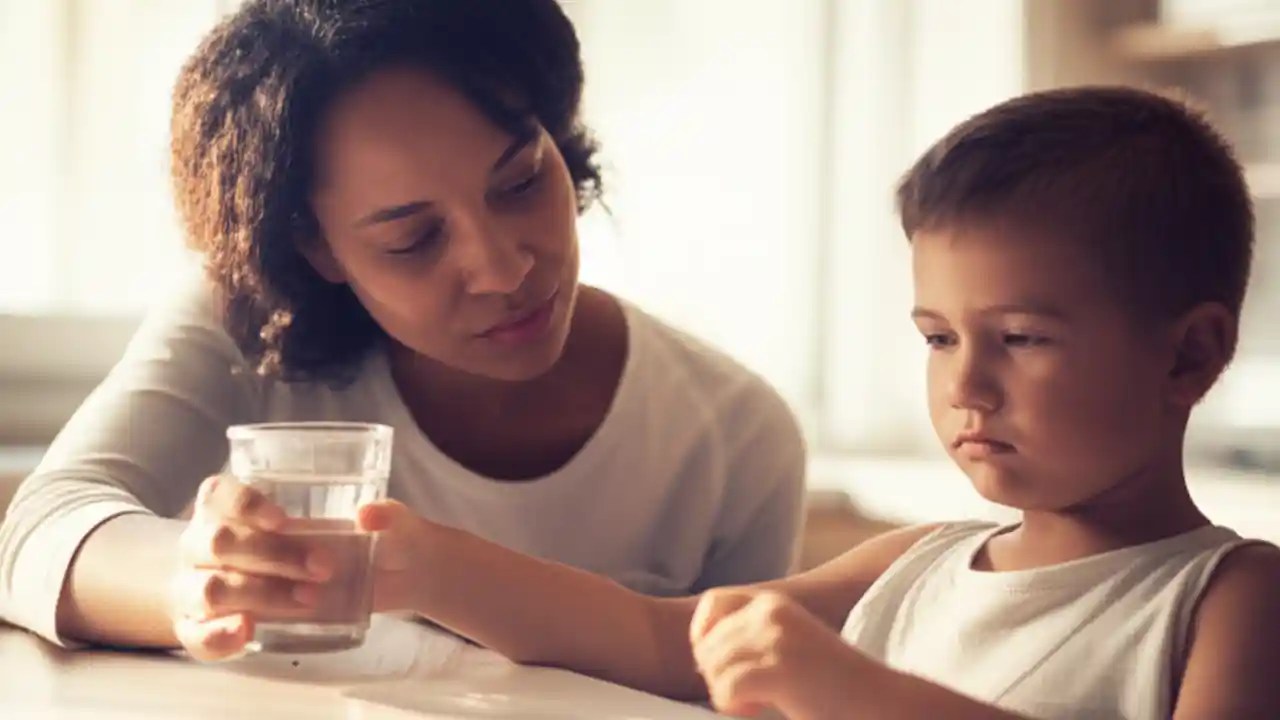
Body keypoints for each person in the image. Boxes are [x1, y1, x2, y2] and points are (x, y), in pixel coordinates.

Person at [347, 86, 1280, 719]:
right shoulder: (917, 563)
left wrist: (852, 694)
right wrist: (431, 568)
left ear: (1189, 357)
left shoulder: (1230, 600)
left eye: (1023, 339)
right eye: (939, 338)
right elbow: (658, 637)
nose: (964, 385)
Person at [0, 0, 805, 660]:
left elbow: (736, 692)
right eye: (412, 239)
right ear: (315, 246)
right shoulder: (248, 334)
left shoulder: (731, 440)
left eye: (522, 181)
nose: (502, 267)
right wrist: (193, 576)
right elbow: (36, 536)